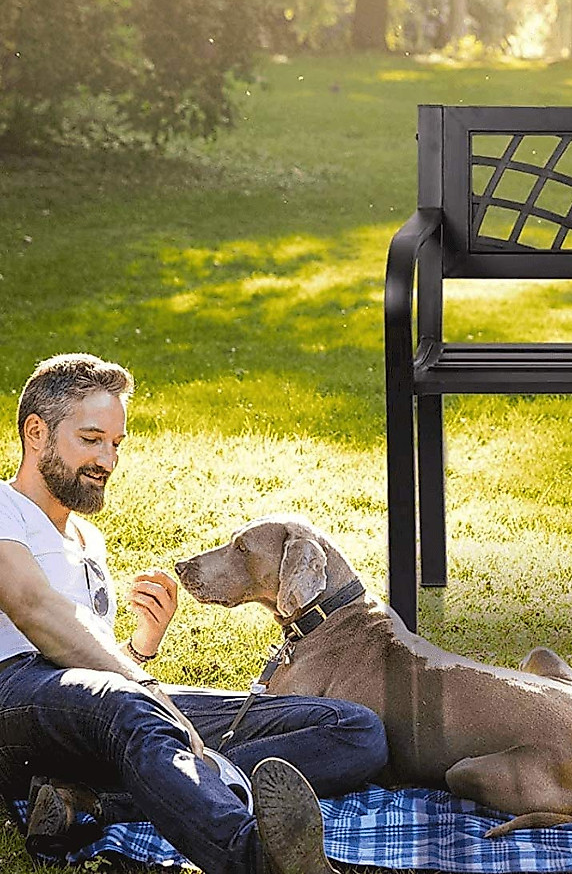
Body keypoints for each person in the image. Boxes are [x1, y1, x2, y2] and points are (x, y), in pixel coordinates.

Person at [0, 353, 390, 874]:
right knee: (134, 709)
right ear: (36, 433)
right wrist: (145, 686)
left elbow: (91, 673)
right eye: (91, 439)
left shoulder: (86, 537)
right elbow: (34, 608)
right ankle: (256, 856)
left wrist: (142, 646)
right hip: (16, 697)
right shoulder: (4, 507)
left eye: (116, 444)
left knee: (352, 727)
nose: (108, 461)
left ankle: (99, 806)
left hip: (103, 702)